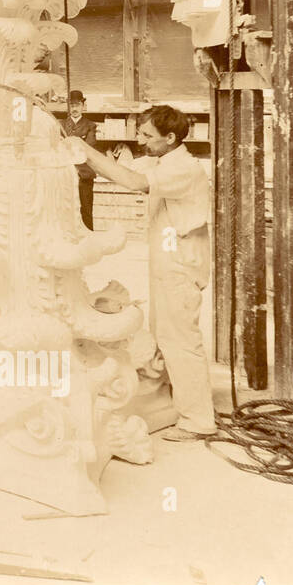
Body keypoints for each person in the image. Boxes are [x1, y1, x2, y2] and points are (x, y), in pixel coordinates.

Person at [66, 105, 216, 441]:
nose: (141, 140)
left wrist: (85, 147)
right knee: (163, 333)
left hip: (180, 265)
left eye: (147, 135)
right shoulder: (162, 159)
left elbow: (132, 181)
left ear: (171, 138)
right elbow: (122, 171)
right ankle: (172, 396)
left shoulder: (185, 168)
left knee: (181, 339)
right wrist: (84, 155)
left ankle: (199, 419)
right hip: (167, 261)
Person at [61, 90, 98, 229]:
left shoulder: (90, 125)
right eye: (71, 105)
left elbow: (89, 147)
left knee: (86, 208)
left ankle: (89, 237)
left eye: (77, 105)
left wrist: (69, 146)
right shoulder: (62, 125)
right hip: (65, 173)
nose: (74, 108)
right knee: (66, 208)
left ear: (83, 106)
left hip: (84, 174)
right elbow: (57, 147)